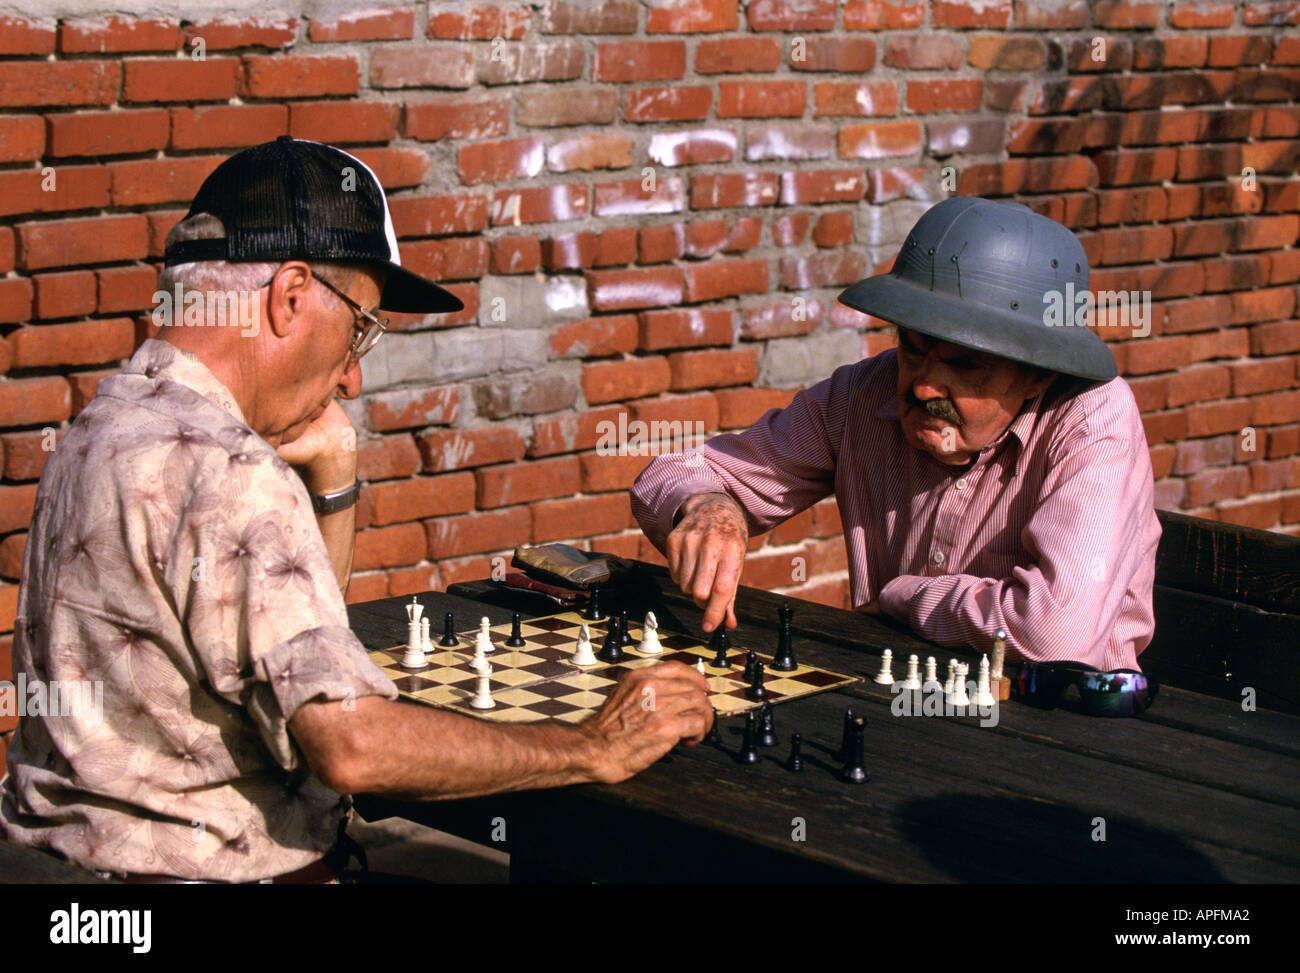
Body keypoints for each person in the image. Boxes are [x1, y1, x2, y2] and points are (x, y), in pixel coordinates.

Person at [1, 137, 712, 883]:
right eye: (361, 328)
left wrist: (334, 475)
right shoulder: (231, 472)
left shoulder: (101, 424)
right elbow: (350, 742)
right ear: (291, 295)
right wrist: (592, 744)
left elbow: (284, 659)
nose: (351, 376)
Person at [632, 197, 1160, 672]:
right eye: (912, 347)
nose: (925, 384)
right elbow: (674, 474)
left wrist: (908, 598)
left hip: (1067, 729)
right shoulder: (863, 394)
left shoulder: (1092, 419)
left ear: (1036, 376)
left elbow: (1054, 636)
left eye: (966, 364)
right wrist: (709, 508)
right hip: (895, 691)